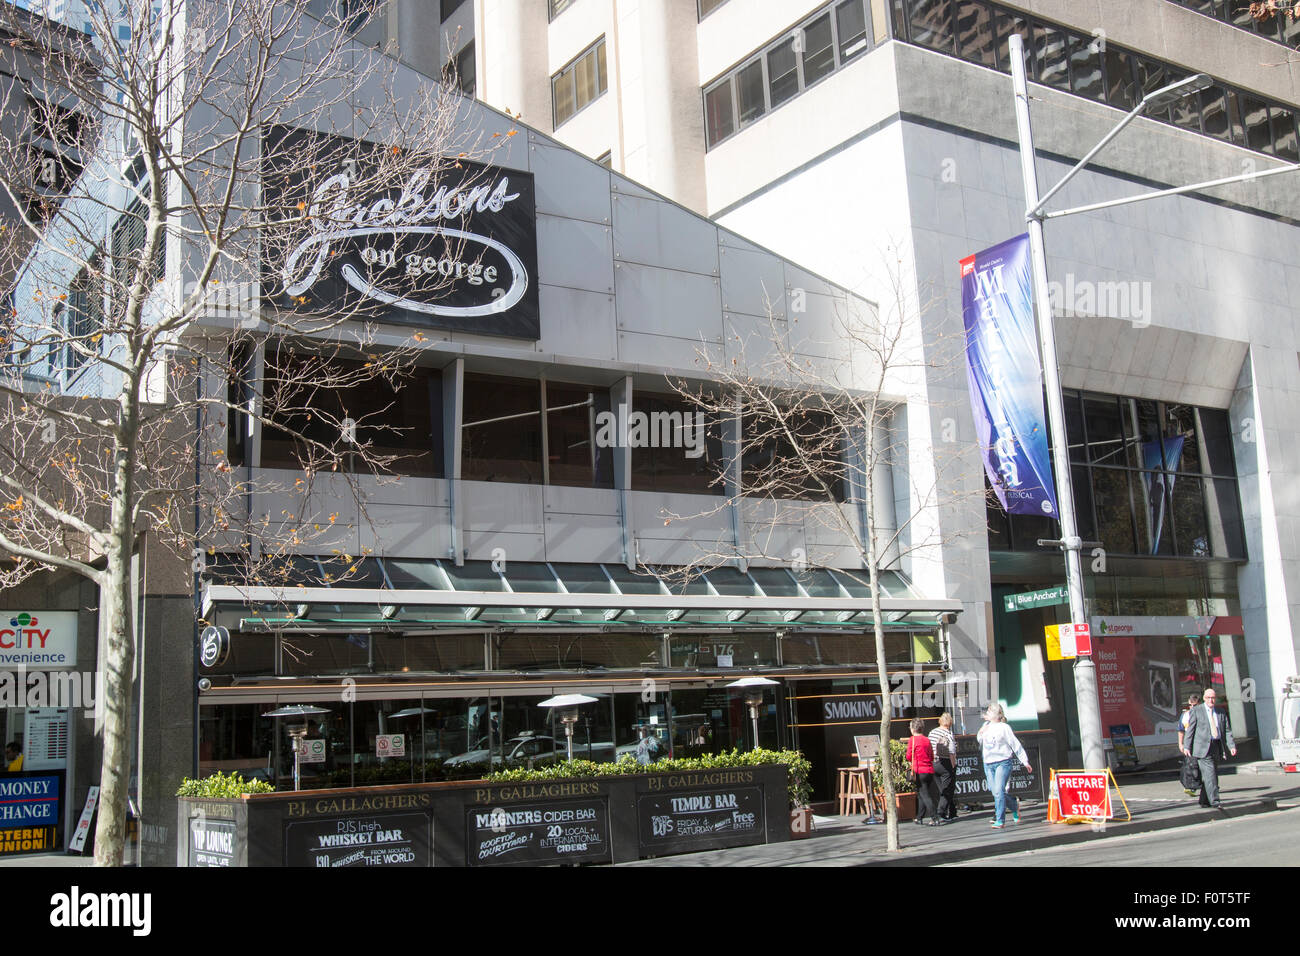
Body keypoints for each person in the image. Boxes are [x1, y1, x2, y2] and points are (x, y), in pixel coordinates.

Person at [977, 703, 1031, 829]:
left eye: (990, 712)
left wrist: (1025, 761)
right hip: (988, 763)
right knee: (995, 791)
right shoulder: (985, 726)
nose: (987, 714)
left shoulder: (1004, 727)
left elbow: (1015, 744)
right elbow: (980, 740)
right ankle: (1013, 805)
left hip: (1003, 761)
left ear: (996, 714)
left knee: (999, 790)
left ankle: (1000, 820)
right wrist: (981, 732)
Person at [1182, 687, 1236, 808]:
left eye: (1213, 698)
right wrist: (1187, 746)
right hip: (1202, 748)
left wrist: (1231, 745)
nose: (1211, 700)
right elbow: (1190, 729)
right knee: (1210, 775)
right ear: (1204, 698)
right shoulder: (1197, 710)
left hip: (1216, 746)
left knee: (1211, 775)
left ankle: (1204, 800)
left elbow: (1227, 730)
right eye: (1208, 698)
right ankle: (1215, 801)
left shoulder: (1220, 712)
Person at [905, 717, 941, 827]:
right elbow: (931, 756)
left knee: (925, 795)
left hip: (919, 771)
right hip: (929, 770)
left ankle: (935, 818)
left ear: (912, 729)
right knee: (922, 794)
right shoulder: (927, 740)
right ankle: (919, 817)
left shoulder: (912, 740)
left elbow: (908, 756)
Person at [929, 712, 958, 820]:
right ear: (950, 722)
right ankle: (940, 812)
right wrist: (953, 766)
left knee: (942, 789)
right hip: (945, 763)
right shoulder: (948, 734)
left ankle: (952, 811)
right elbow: (952, 752)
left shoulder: (932, 732)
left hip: (934, 763)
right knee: (948, 789)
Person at [1178, 693, 1201, 796]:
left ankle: (1208, 785)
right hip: (1190, 744)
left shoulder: (1203, 714)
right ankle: (1190, 786)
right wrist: (1181, 744)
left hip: (1202, 743)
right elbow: (1181, 730)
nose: (1192, 707)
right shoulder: (1185, 715)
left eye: (1194, 705)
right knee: (1191, 765)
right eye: (1190, 705)